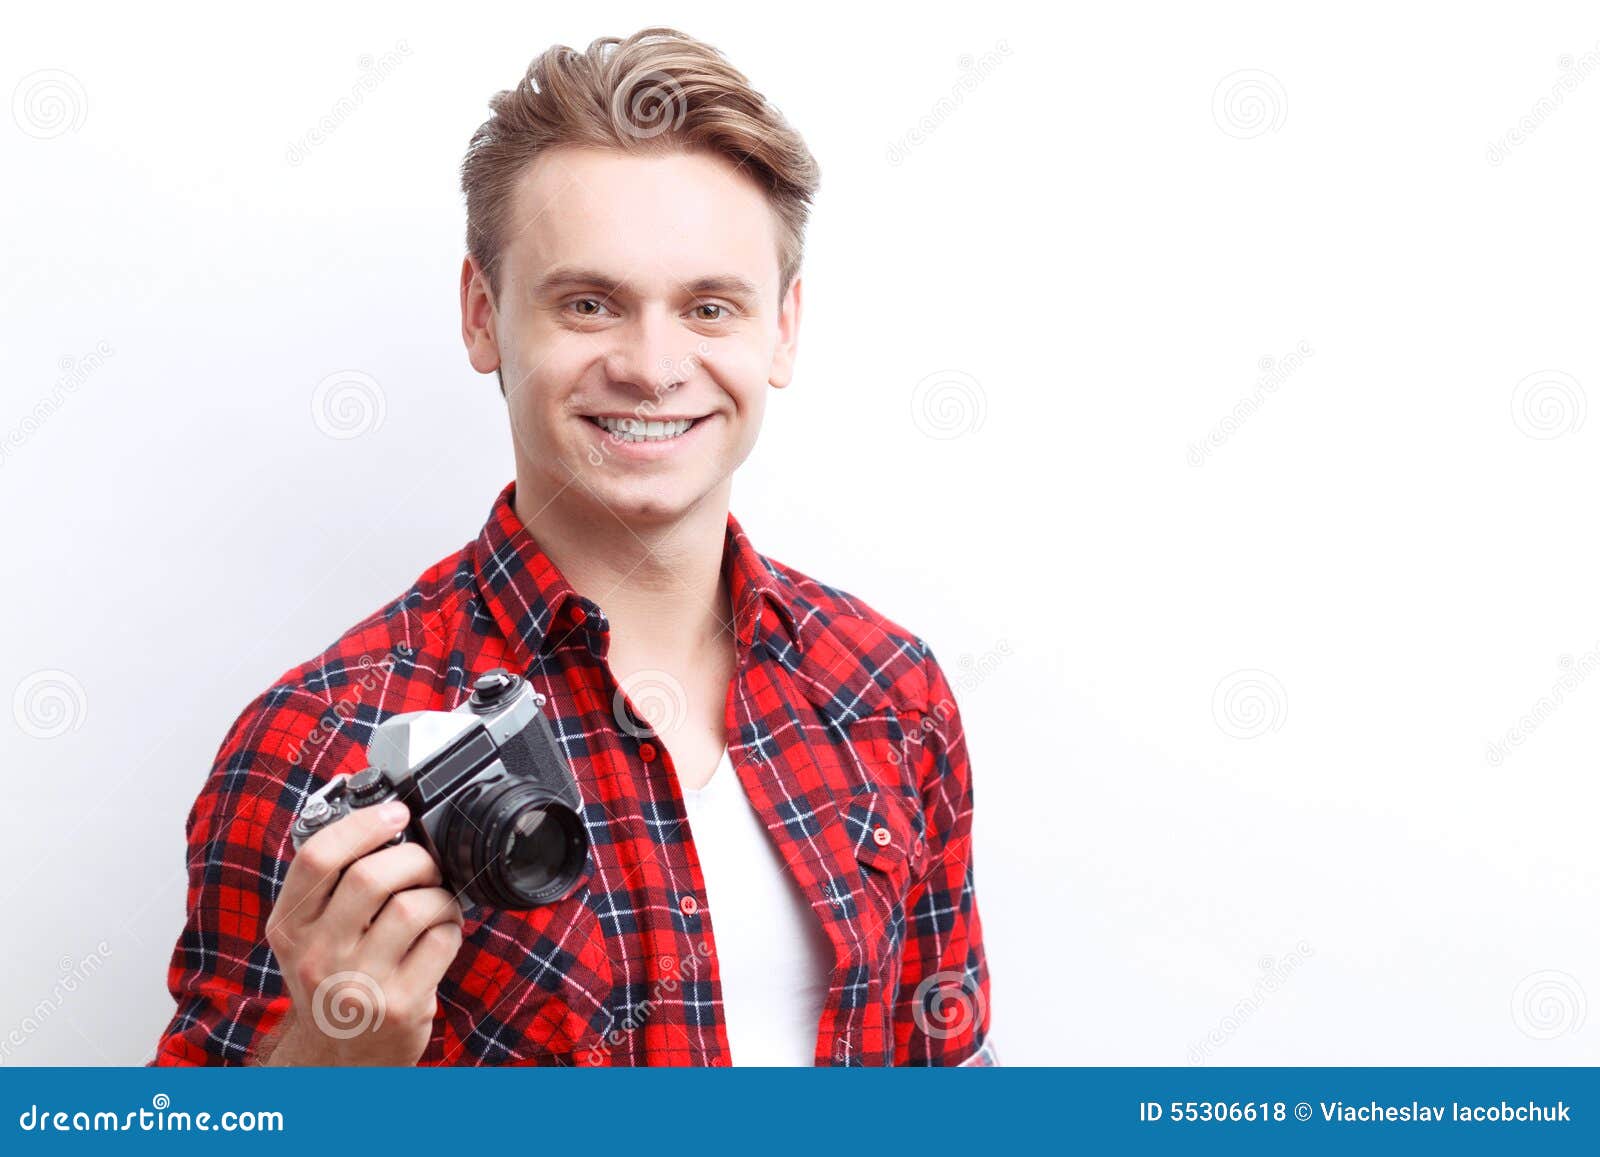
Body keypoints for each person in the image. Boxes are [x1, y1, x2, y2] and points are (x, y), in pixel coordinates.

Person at [152, 26, 994, 1067]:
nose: (651, 365)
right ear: (482, 315)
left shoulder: (889, 687)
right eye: (588, 303)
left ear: (781, 329)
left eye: (708, 306)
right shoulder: (316, 742)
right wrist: (330, 1062)